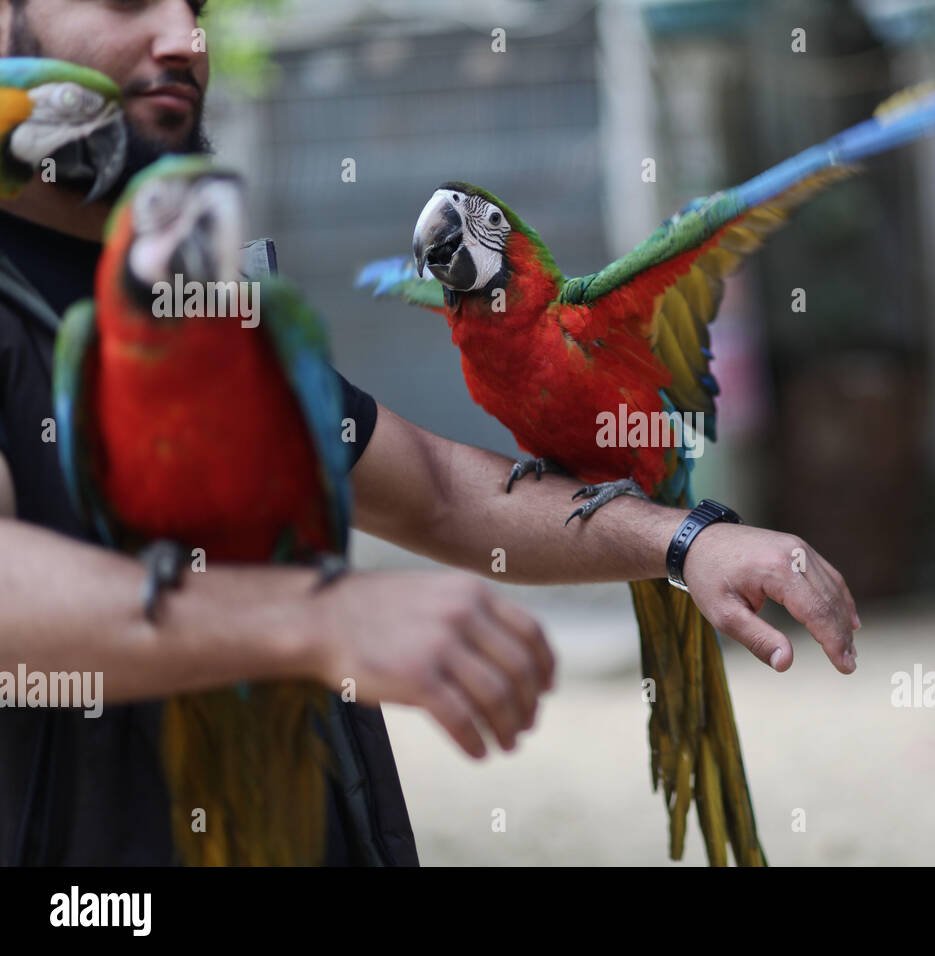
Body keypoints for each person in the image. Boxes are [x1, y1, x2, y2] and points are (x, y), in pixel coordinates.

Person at [0, 0, 861, 865]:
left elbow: (442, 496)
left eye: (198, 7)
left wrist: (687, 540)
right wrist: (314, 620)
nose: (185, 39)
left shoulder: (222, 313)